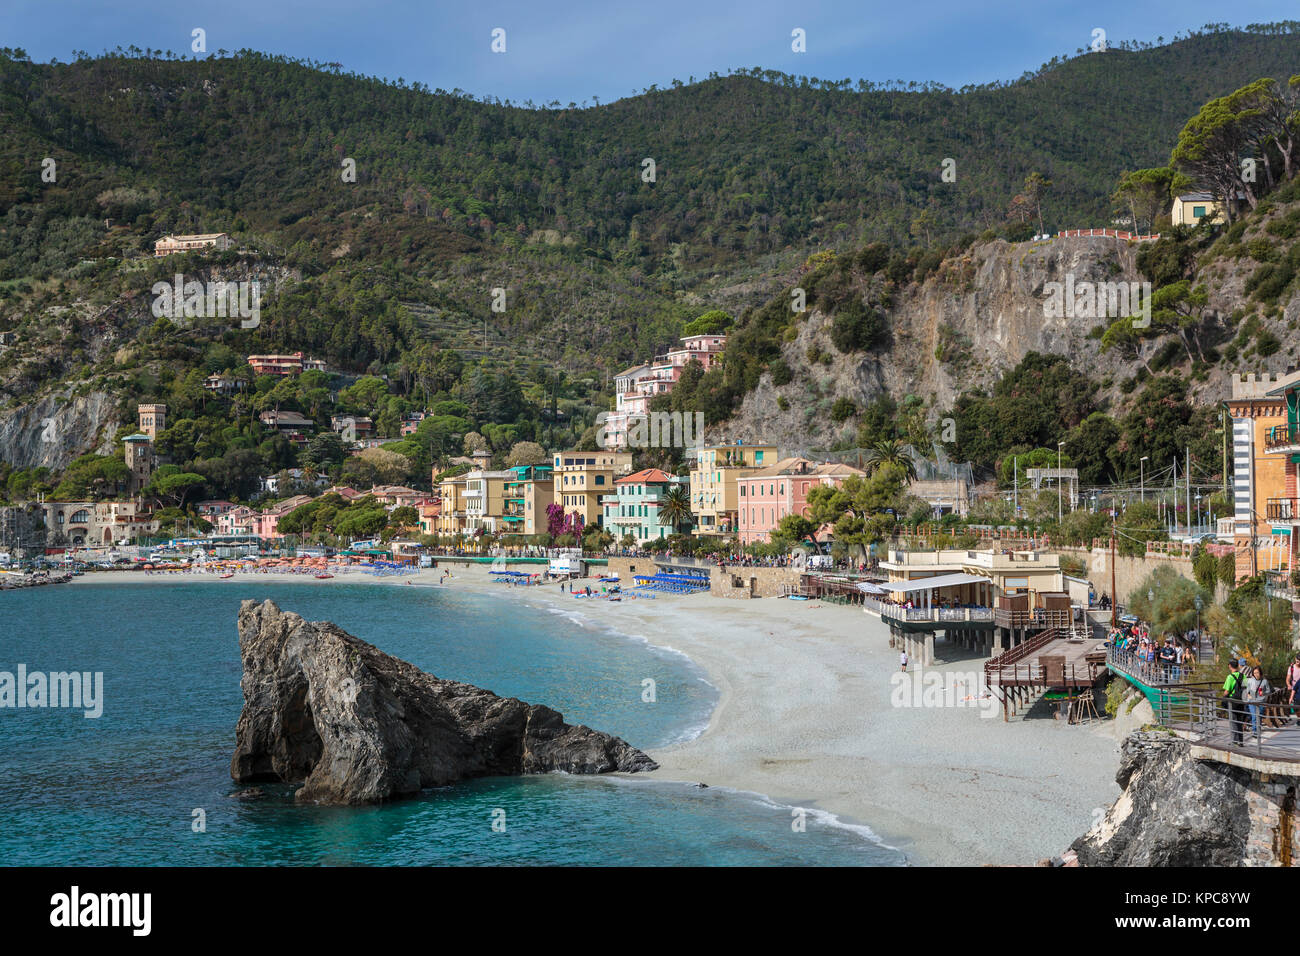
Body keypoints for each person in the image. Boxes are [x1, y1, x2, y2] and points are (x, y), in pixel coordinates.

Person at [1222, 659, 1246, 745]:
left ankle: (1234, 741)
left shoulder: (1230, 677)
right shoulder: (1243, 676)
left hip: (1233, 701)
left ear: (1230, 666)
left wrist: (1223, 697)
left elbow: (1227, 691)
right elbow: (1246, 688)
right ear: (1238, 665)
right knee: (1239, 721)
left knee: (1233, 721)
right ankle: (1240, 741)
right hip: (1241, 701)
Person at [1245, 666, 1271, 740]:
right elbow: (1247, 691)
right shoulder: (1250, 680)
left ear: (1260, 673)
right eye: (1254, 673)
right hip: (1252, 701)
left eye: (1257, 673)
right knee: (1254, 716)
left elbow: (1269, 691)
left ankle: (1258, 730)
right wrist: (1248, 695)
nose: (1256, 674)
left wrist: (1263, 692)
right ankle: (1254, 732)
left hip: (1261, 701)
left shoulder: (1264, 681)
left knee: (1259, 716)